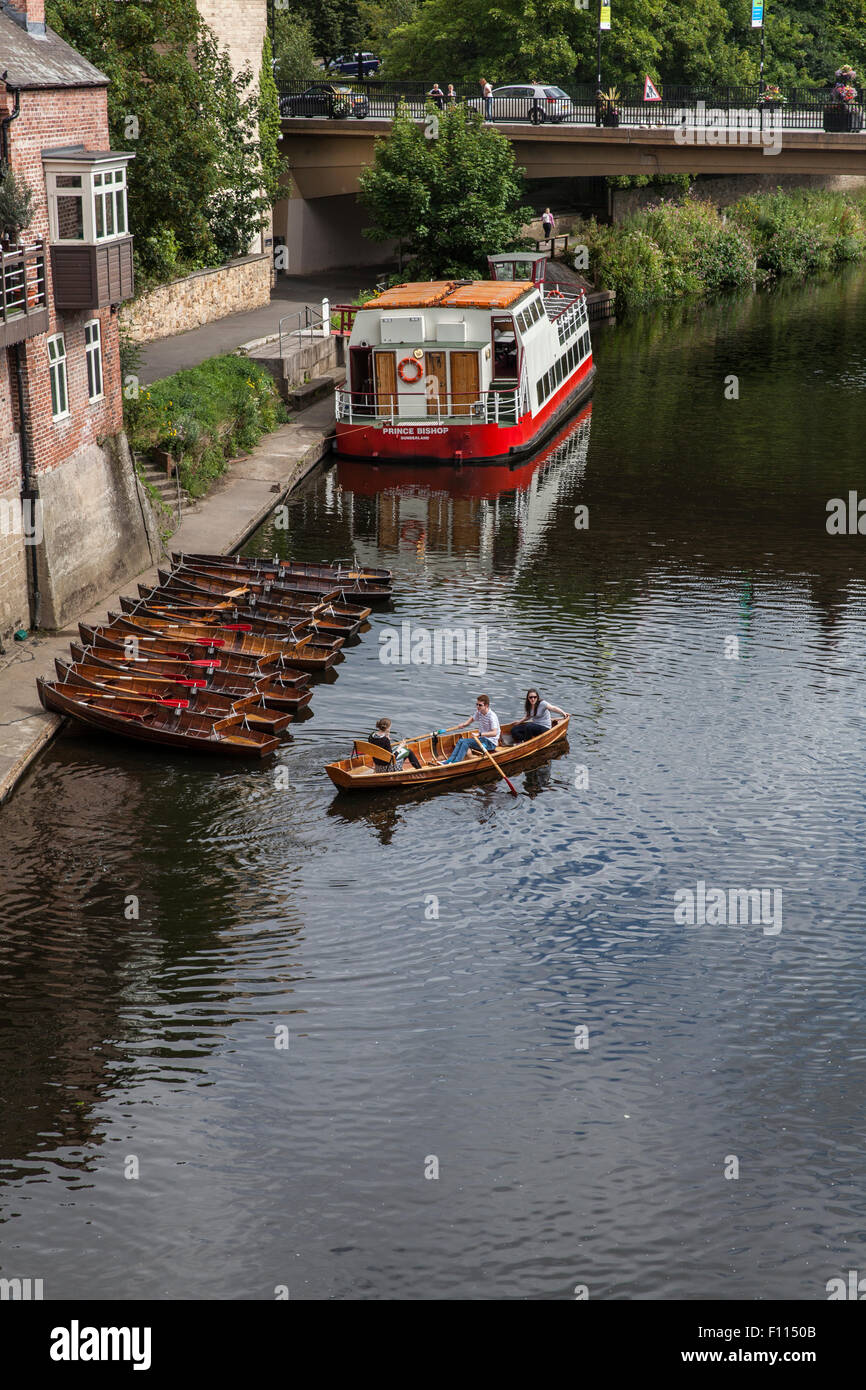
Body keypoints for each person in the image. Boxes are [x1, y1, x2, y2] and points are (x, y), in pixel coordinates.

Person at [438, 695, 500, 764]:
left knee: (465, 743)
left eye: (480, 705)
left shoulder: (492, 716)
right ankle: (449, 761)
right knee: (460, 741)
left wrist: (479, 734)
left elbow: (494, 733)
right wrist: (464, 724)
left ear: (486, 706)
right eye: (477, 704)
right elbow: (472, 718)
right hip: (482, 739)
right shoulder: (479, 712)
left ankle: (456, 762)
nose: (477, 707)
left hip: (490, 743)